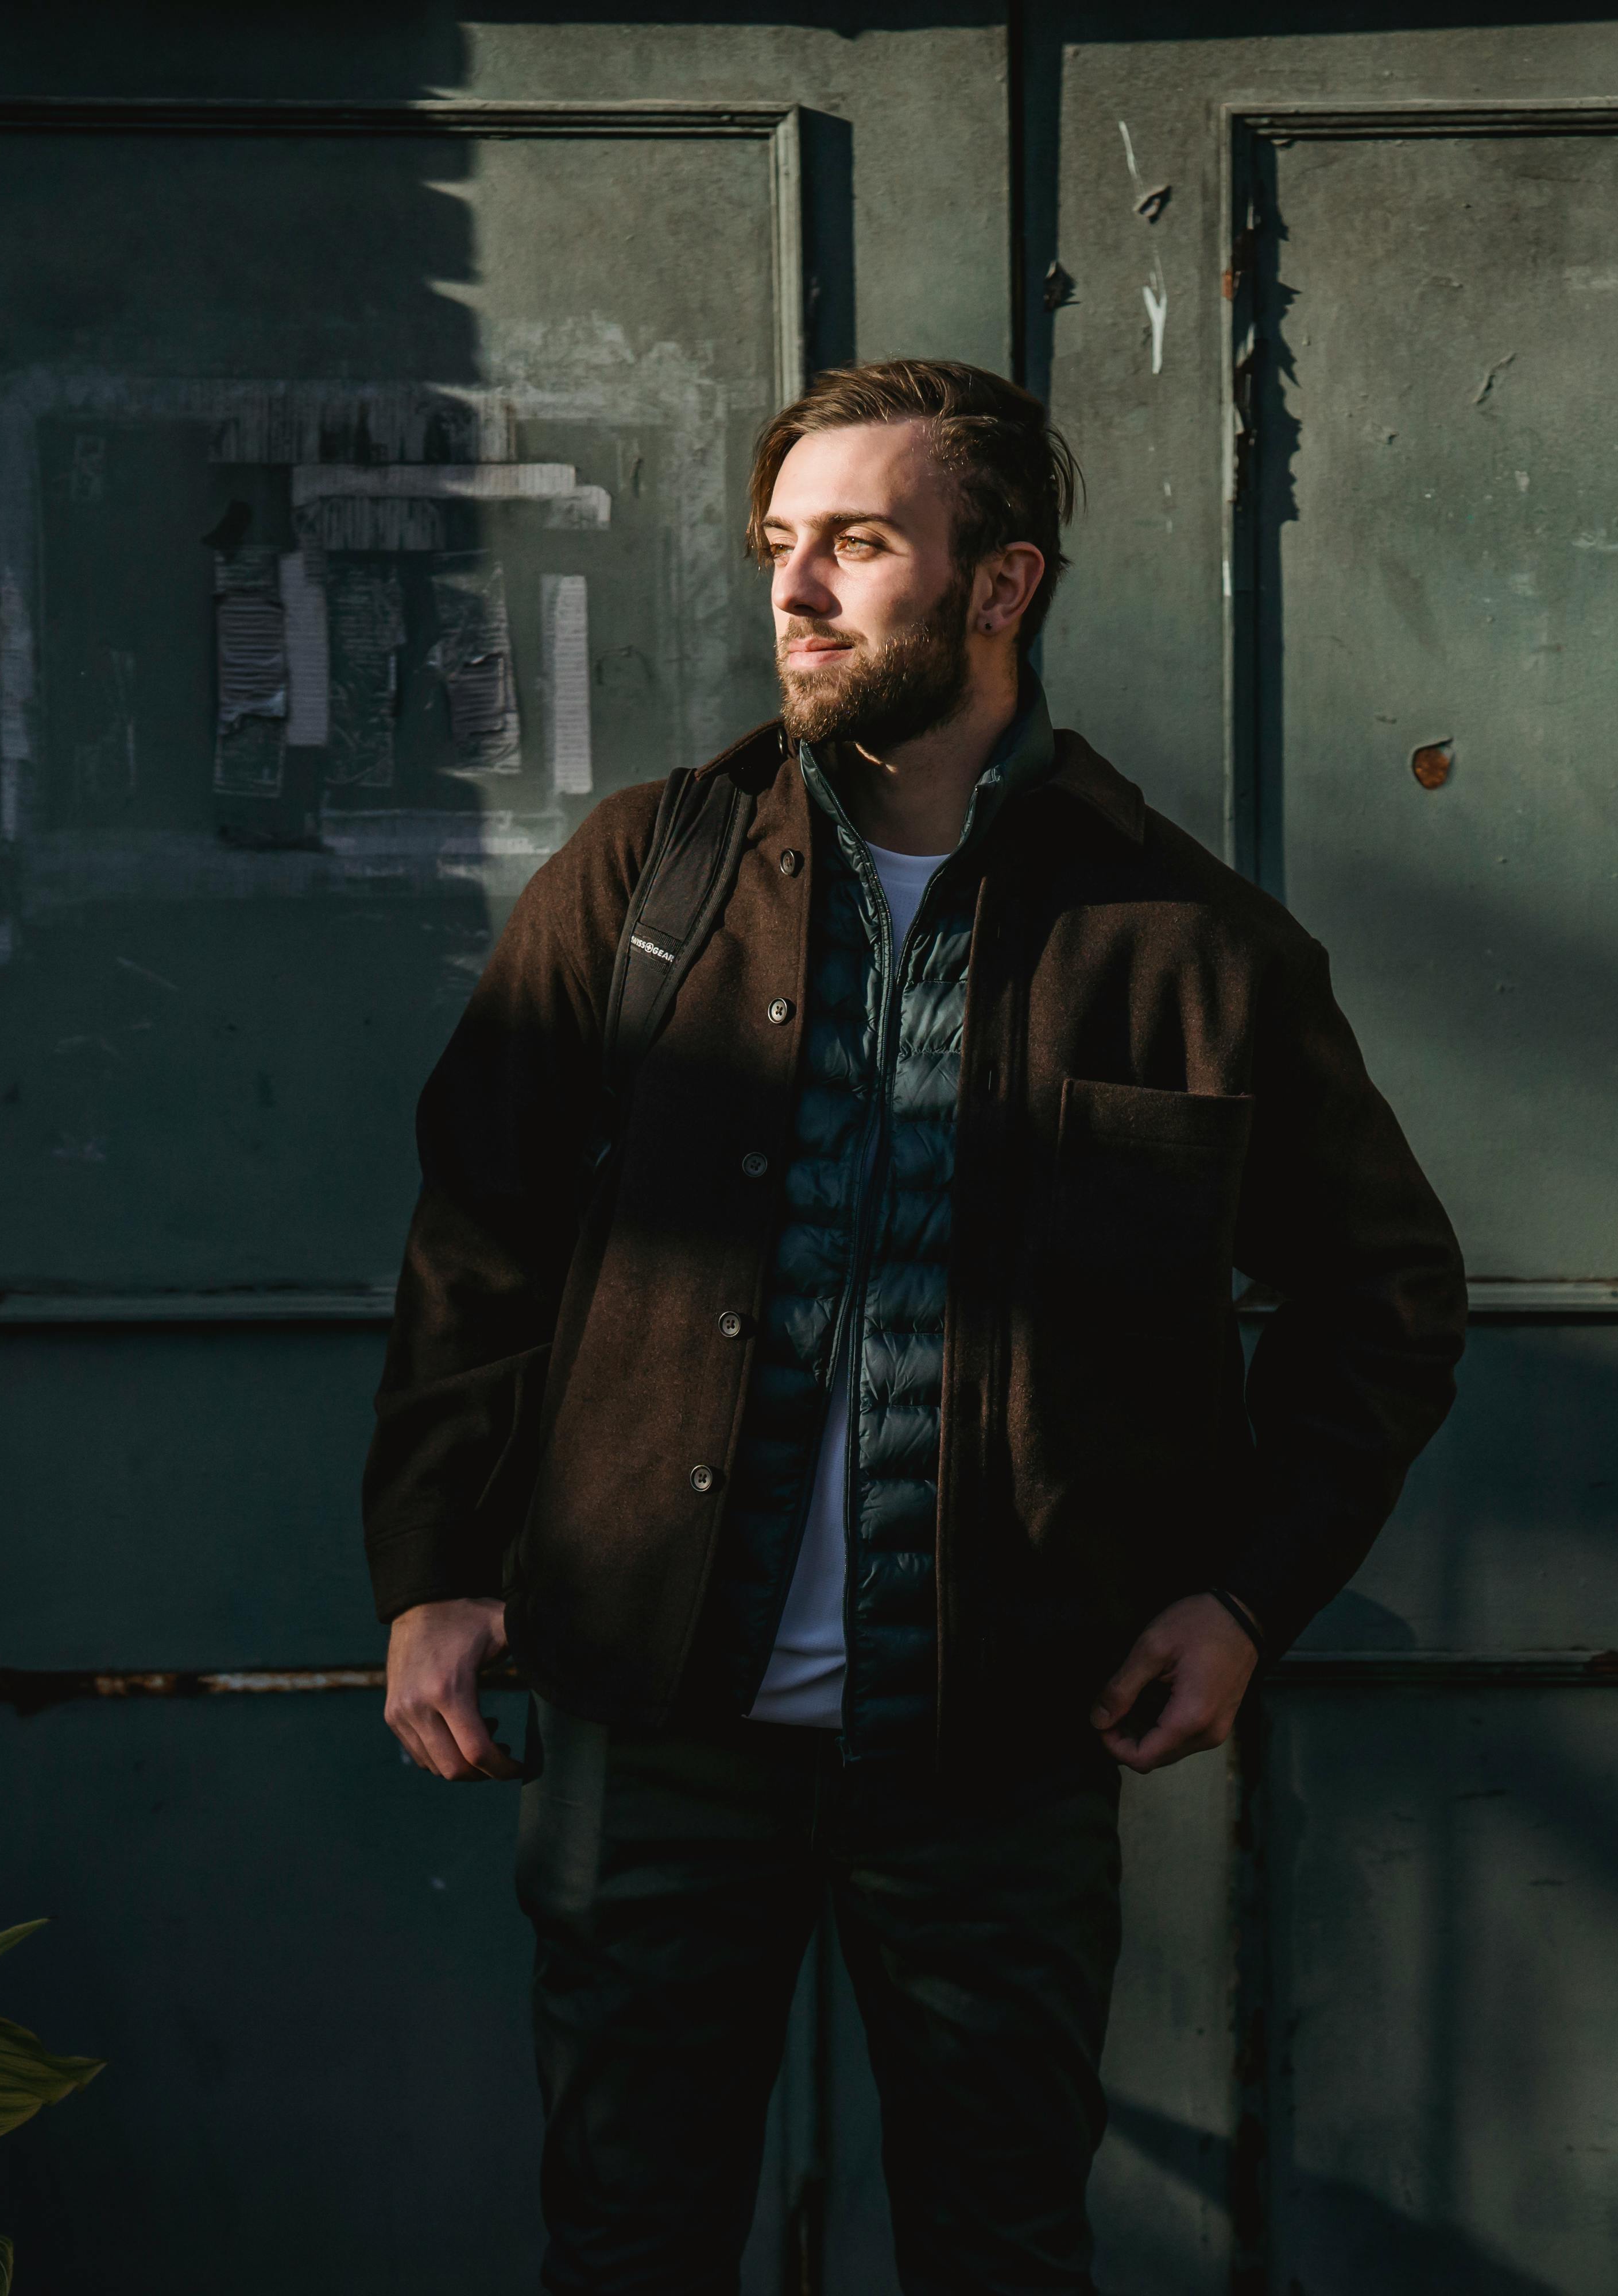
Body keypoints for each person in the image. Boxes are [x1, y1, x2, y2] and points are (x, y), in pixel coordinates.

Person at [359, 357, 1466, 2293]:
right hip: (656, 1730)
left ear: (1000, 584)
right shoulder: (643, 878)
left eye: (856, 545)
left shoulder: (1188, 946)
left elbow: (1385, 1300)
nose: (793, 593)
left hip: (1000, 1755)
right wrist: (436, 1566)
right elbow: (482, 1241)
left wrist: (1248, 1597)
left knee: (1004, 2254)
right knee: (623, 2243)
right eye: (782, 545)